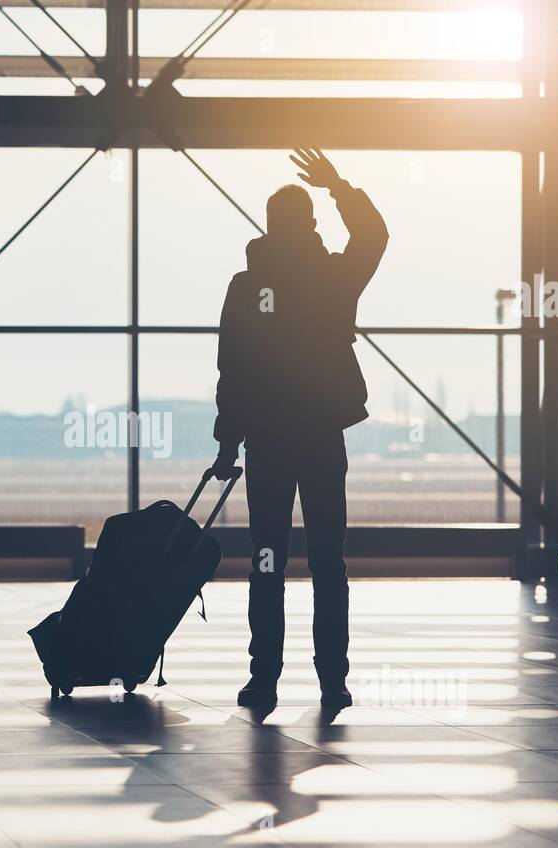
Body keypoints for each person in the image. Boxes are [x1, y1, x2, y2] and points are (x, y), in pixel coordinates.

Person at [210, 146, 389, 718]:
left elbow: (232, 366)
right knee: (327, 562)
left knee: (267, 558)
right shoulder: (332, 279)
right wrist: (339, 186)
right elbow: (375, 236)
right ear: (310, 224)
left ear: (267, 226)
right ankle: (332, 681)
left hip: (267, 440)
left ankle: (263, 679)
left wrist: (226, 438)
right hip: (319, 435)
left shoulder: (246, 287)